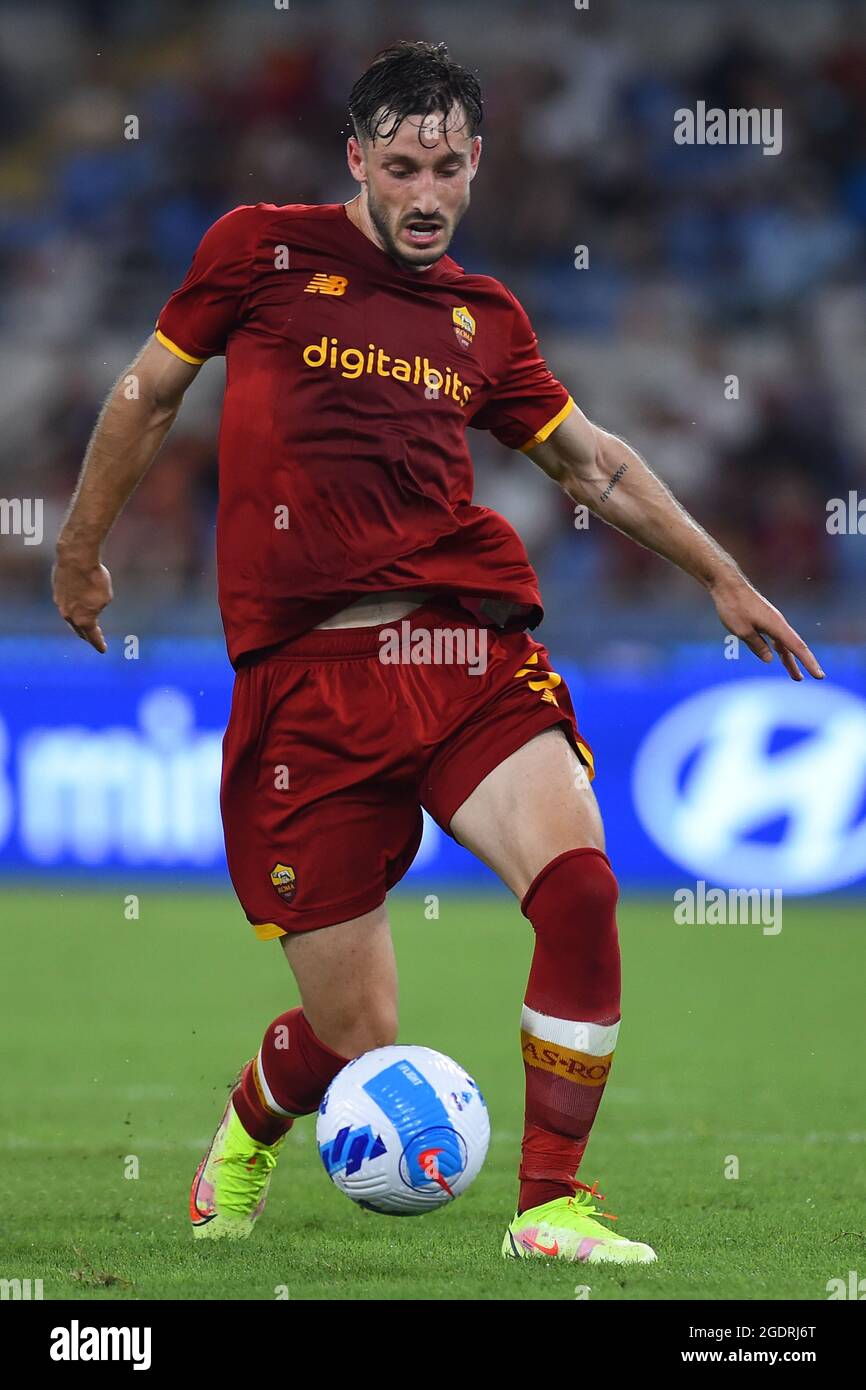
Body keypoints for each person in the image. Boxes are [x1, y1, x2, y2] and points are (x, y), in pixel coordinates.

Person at [52, 40, 822, 1264]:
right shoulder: (258, 249)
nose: (424, 194)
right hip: (308, 685)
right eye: (402, 166)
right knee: (356, 1041)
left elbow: (590, 464)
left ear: (477, 168)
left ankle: (549, 1209)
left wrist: (719, 572)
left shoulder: (486, 319)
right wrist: (79, 547)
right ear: (355, 159)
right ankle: (249, 1129)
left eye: (448, 168)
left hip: (468, 655)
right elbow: (148, 396)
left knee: (578, 888)